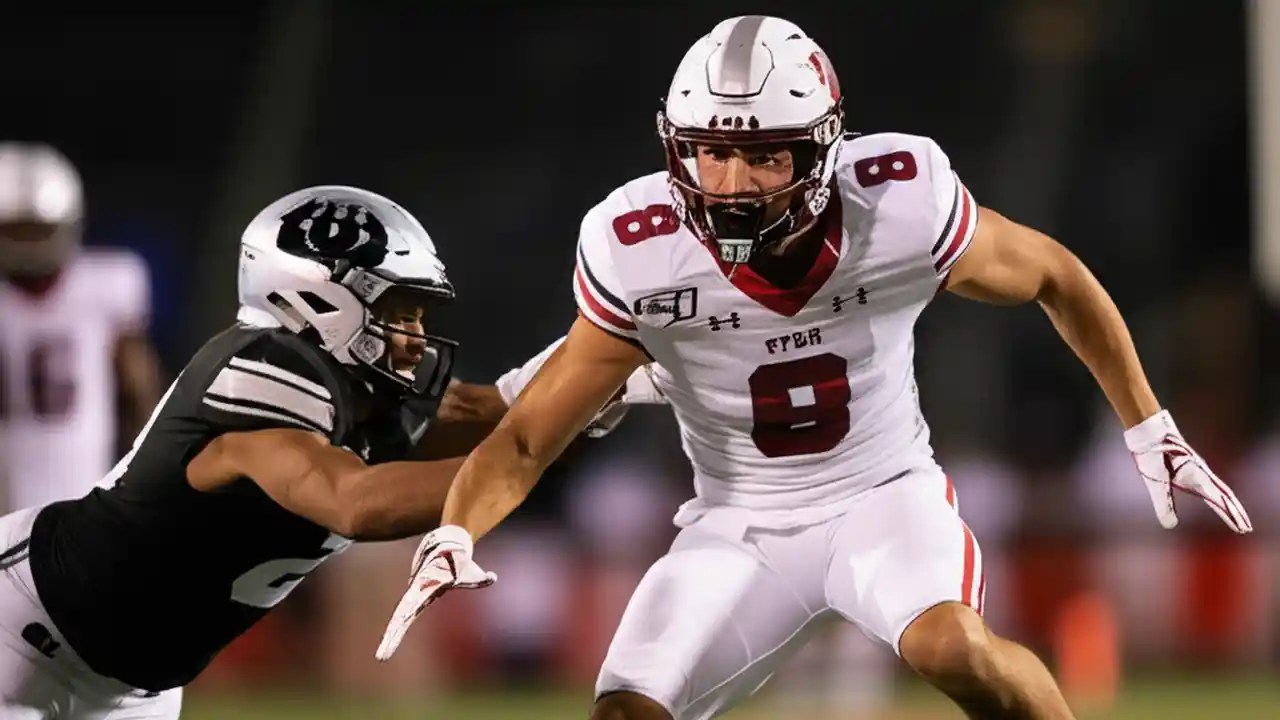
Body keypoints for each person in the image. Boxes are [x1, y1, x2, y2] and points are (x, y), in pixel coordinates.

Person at [376, 15, 1253, 720]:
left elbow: (1056, 275)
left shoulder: (900, 204)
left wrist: (1149, 425)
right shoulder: (637, 248)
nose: (731, 181)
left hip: (884, 495)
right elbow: (527, 435)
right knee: (625, 712)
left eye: (766, 153)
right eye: (710, 151)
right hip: (738, 524)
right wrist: (457, 528)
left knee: (956, 650)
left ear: (826, 151)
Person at [0, 184, 658, 719]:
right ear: (318, 296)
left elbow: (492, 413)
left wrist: (620, 363)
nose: (413, 337)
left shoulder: (357, 385)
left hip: (130, 690)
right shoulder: (261, 367)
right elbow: (356, 504)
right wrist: (527, 456)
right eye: (400, 312)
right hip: (23, 637)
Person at [0, 142, 164, 512]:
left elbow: (138, 391)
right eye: (18, 230)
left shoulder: (107, 285)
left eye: (37, 230)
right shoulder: (113, 282)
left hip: (82, 487)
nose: (28, 244)